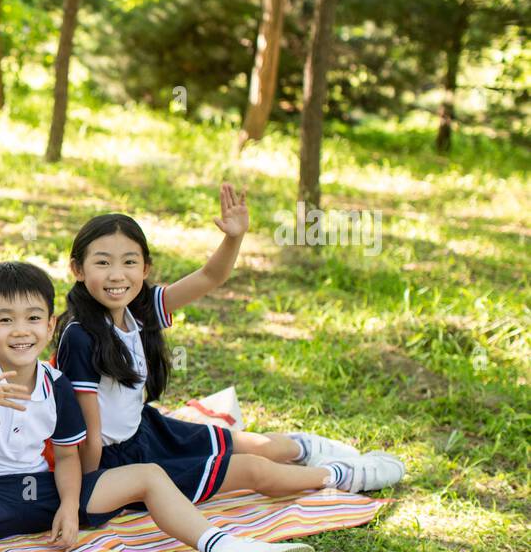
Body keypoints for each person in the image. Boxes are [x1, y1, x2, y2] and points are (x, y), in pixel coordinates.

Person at [0, 262, 321, 552]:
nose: (21, 330)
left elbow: (69, 456)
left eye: (33, 318)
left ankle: (225, 548)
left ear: (50, 326)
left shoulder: (56, 386)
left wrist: (70, 507)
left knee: (148, 475)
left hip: (40, 492)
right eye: (5, 320)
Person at [55, 185, 406, 504]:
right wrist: (86, 491)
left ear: (146, 268)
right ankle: (342, 476)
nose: (117, 275)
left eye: (129, 262)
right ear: (78, 269)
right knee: (252, 470)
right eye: (102, 262)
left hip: (146, 431)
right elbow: (90, 431)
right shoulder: (80, 334)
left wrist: (234, 238)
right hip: (116, 459)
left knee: (248, 443)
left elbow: (210, 277)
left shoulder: (139, 310)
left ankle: (305, 447)